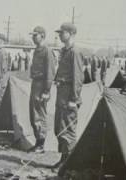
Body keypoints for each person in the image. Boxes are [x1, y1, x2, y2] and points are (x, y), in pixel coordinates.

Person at [53, 22, 84, 169]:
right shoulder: (64, 51)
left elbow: (78, 78)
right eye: (59, 33)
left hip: (69, 96)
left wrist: (74, 99)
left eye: (62, 32)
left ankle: (69, 164)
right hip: (61, 94)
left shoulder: (75, 52)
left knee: (68, 130)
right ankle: (64, 159)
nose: (60, 35)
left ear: (71, 34)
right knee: (60, 128)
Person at [28, 26, 56, 153]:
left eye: (36, 35)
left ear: (42, 36)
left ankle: (41, 144)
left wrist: (47, 91)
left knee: (40, 114)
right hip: (35, 84)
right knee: (33, 114)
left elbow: (50, 72)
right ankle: (37, 141)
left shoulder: (47, 51)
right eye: (33, 35)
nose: (33, 38)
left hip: (42, 85)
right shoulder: (36, 50)